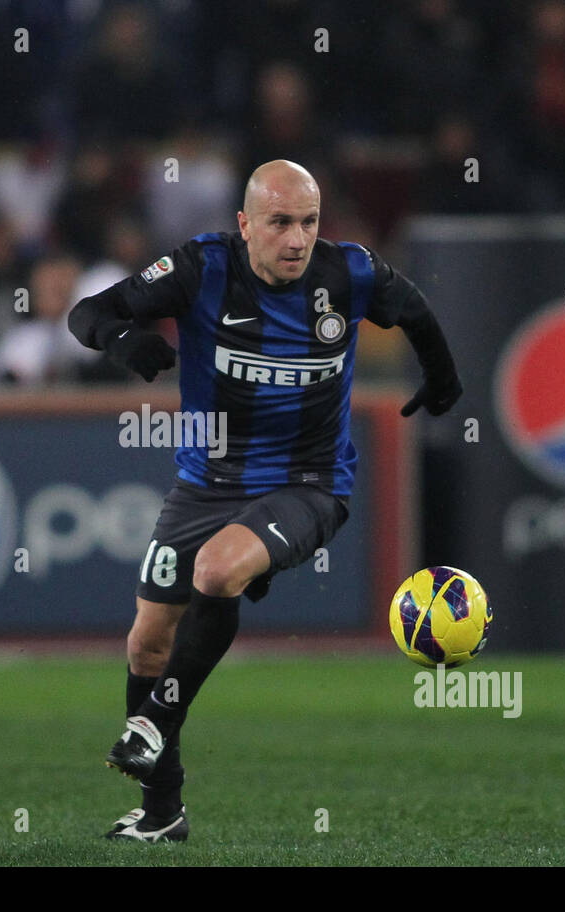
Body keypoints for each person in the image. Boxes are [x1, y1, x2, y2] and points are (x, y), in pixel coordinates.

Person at [68, 160, 462, 842]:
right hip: (205, 484)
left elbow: (417, 311)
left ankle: (156, 723)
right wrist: (123, 337)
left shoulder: (350, 274)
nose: (296, 238)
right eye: (280, 222)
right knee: (147, 642)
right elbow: (88, 312)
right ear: (246, 224)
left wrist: (443, 377)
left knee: (216, 572)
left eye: (308, 222)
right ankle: (163, 814)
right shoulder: (203, 268)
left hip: (309, 484)